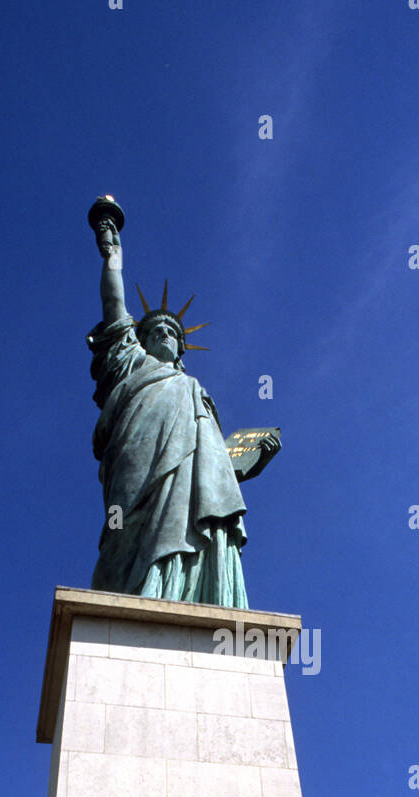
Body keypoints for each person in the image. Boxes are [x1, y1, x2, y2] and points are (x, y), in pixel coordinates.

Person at [87, 212, 279, 606]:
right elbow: (113, 301)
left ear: (181, 349)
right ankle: (129, 599)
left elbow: (209, 466)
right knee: (125, 531)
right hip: (136, 461)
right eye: (155, 330)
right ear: (139, 339)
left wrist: (247, 457)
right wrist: (112, 256)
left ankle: (187, 598)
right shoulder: (130, 362)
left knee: (195, 520)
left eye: (173, 333)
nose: (166, 335)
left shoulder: (195, 391)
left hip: (188, 487)